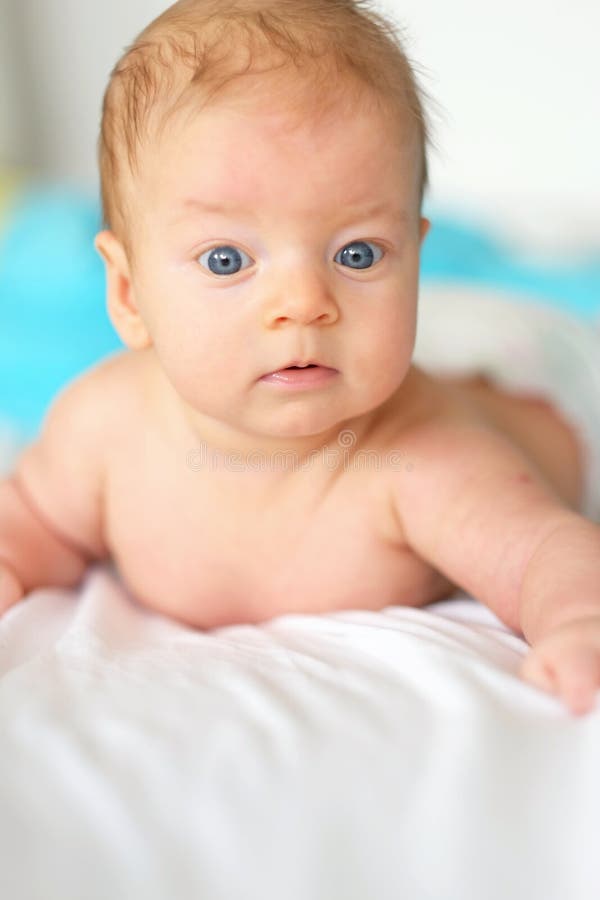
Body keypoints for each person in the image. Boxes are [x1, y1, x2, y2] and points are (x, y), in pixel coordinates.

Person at [1, 0, 599, 715]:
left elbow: (542, 553)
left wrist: (578, 621)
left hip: (539, 367)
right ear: (128, 293)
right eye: (227, 259)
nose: (304, 303)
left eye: (358, 253)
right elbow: (31, 519)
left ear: (412, 251)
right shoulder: (101, 430)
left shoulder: (424, 461)